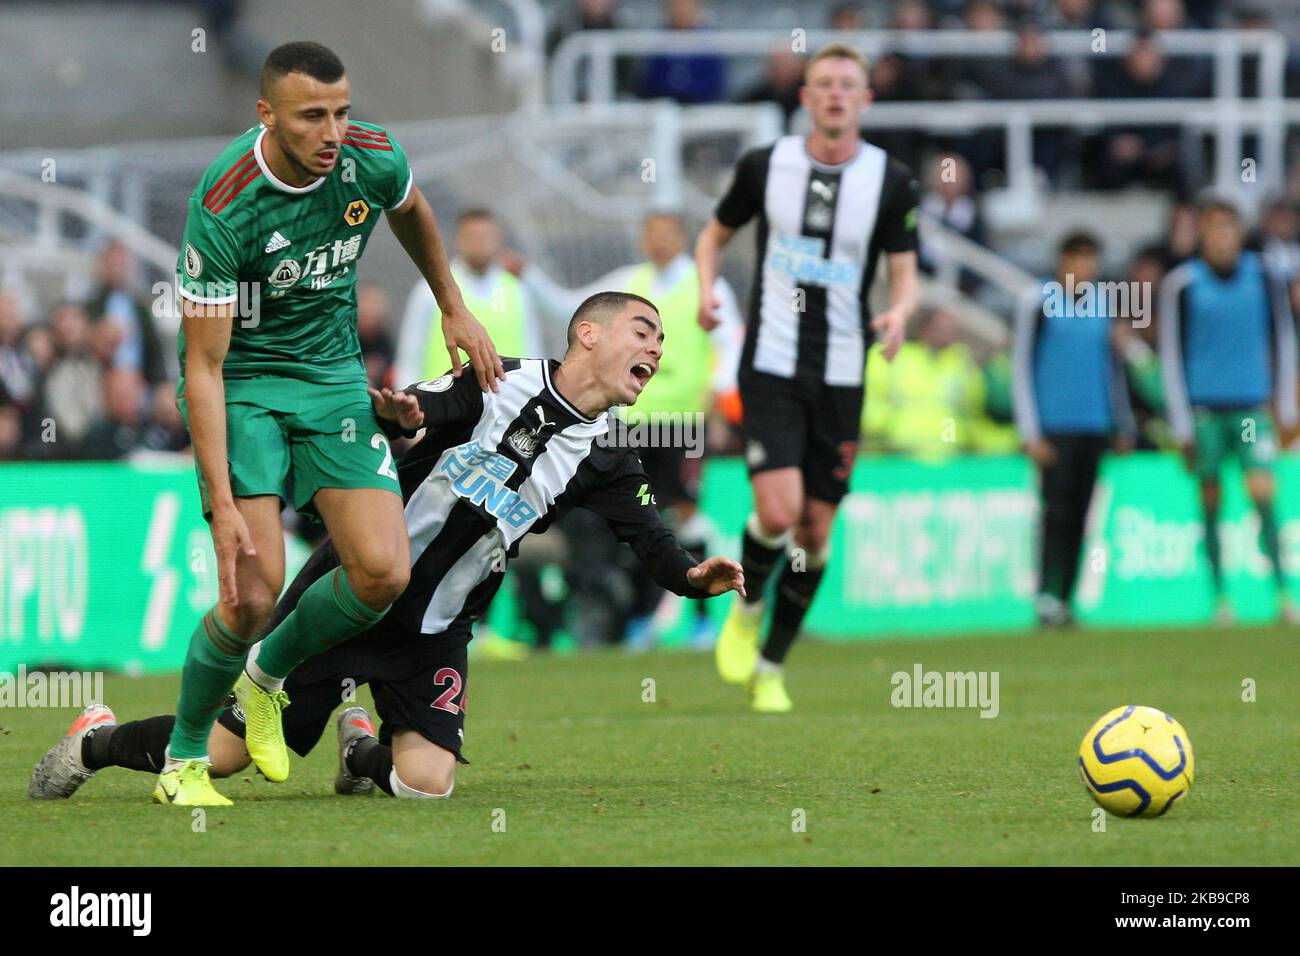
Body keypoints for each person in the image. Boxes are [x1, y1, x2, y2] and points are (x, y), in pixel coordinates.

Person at [29, 293, 746, 804]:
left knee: (424, 786)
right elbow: (422, 407)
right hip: (350, 590)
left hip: (434, 631)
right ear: (587, 333)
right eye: (644, 332)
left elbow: (650, 540)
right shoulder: (499, 380)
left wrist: (693, 574)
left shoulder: (610, 459)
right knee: (221, 757)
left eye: (660, 342)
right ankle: (96, 740)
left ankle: (359, 751)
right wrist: (403, 414)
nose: (656, 348)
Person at [160, 40, 503, 806]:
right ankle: (182, 762)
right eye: (312, 116)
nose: (332, 131)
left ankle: (264, 682)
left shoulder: (369, 157)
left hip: (332, 379)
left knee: (383, 570)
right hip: (244, 385)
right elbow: (205, 368)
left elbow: (410, 207)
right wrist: (219, 506)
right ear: (266, 115)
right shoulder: (224, 204)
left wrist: (452, 302)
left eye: (341, 112)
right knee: (253, 592)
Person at [695, 43, 919, 712]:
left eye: (848, 84)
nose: (835, 95)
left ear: (866, 98)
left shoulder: (892, 179)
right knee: (777, 510)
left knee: (815, 532)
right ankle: (746, 605)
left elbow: (905, 267)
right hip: (771, 362)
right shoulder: (767, 165)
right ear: (805, 96)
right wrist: (707, 290)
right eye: (823, 83)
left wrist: (901, 313)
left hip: (844, 373)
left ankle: (771, 665)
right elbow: (713, 234)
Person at [519, 211, 743, 649]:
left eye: (667, 233)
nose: (658, 241)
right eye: (651, 234)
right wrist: (527, 275)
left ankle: (699, 621)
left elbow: (729, 341)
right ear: (643, 239)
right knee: (641, 515)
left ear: (681, 238)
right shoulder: (629, 283)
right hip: (631, 421)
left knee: (686, 512)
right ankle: (640, 618)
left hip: (683, 422)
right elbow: (572, 307)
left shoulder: (707, 285)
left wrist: (718, 393)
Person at [1159, 199, 1299, 624]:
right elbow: (1170, 355)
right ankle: (1220, 598)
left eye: (1229, 228)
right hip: (1204, 411)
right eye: (1214, 229)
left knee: (1262, 494)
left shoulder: (1264, 276)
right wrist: (1181, 424)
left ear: (1239, 232)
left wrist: (1287, 407)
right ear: (1201, 234)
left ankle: (1283, 595)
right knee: (1211, 501)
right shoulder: (1182, 284)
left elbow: (1285, 340)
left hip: (1251, 407)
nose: (1222, 237)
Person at [1012, 232, 1136, 627]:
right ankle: (1046, 597)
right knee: (1055, 513)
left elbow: (1112, 369)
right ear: (1063, 261)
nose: (1086, 269)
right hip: (1054, 427)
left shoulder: (1103, 304)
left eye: (1092, 260)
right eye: (1079, 260)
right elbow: (1021, 368)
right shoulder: (1038, 300)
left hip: (1094, 424)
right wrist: (1031, 432)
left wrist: (1122, 423)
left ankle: (1066, 599)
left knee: (1083, 515)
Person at [396, 208, 547, 390]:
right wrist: (408, 399)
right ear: (458, 240)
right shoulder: (429, 290)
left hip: (506, 408)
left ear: (499, 240)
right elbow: (410, 355)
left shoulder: (517, 290)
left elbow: (533, 350)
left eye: (486, 236)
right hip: (444, 408)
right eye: (472, 236)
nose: (479, 242)